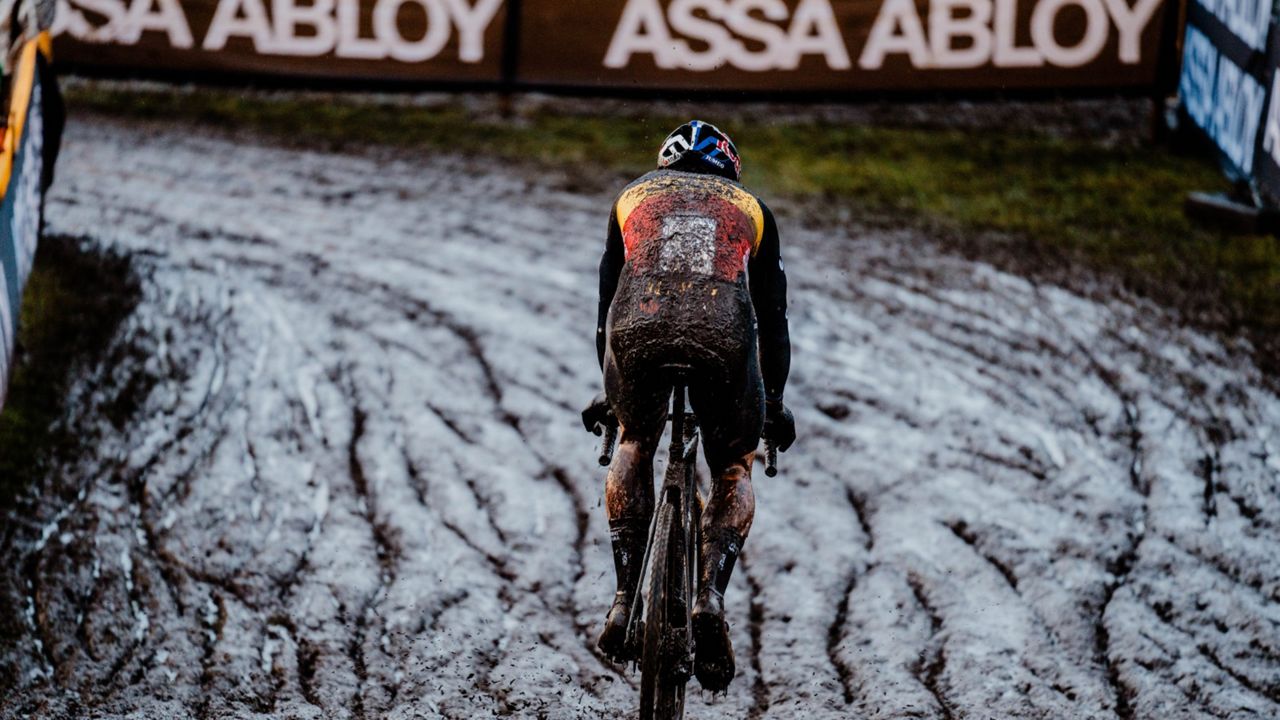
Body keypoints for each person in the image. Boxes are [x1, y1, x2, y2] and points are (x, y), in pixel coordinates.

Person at [581, 120, 794, 692]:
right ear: (728, 168)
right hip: (721, 334)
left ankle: (625, 598)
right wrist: (773, 401)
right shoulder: (751, 208)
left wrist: (612, 392)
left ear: (665, 165)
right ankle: (709, 596)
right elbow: (773, 321)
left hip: (637, 329)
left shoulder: (631, 196)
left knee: (633, 441)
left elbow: (605, 305)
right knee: (732, 465)